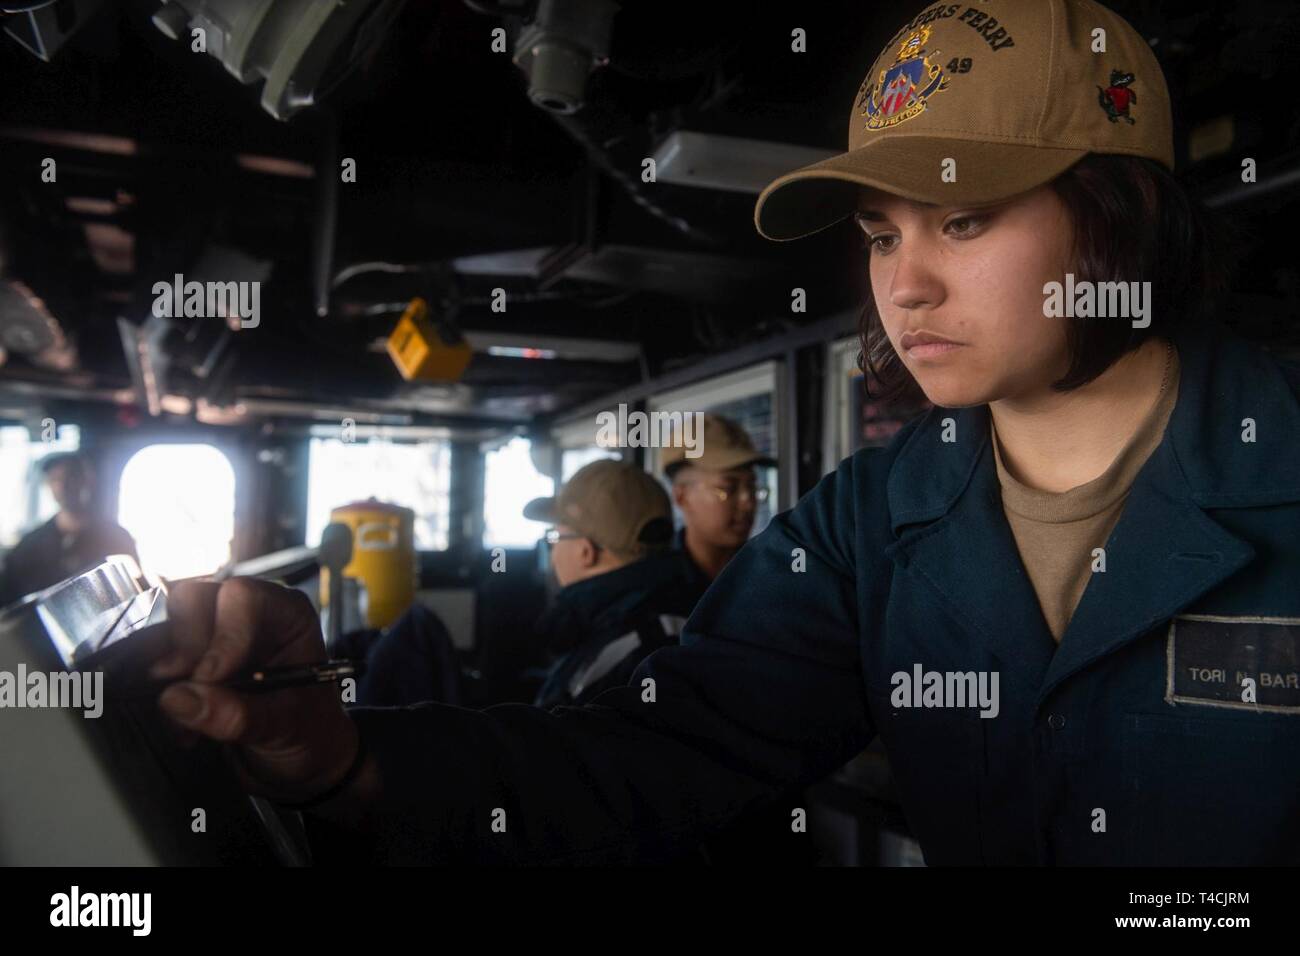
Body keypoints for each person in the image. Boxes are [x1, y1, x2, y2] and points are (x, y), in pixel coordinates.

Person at [150, 0, 1300, 865]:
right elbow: (667, 746)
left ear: (1125, 215)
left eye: (959, 218)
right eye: (880, 232)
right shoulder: (870, 521)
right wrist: (352, 755)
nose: (904, 287)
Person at [523, 459, 695, 709]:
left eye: (555, 537)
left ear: (585, 551)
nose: (552, 550)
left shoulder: (628, 651)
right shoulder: (667, 620)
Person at [661, 414, 775, 605]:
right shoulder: (657, 590)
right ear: (681, 497)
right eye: (728, 489)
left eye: (752, 487)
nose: (748, 503)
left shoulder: (773, 574)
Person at [0, 452, 138, 607]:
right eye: (55, 479)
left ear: (87, 480)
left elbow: (135, 589)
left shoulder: (116, 538)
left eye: (70, 477)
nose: (62, 486)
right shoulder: (29, 547)